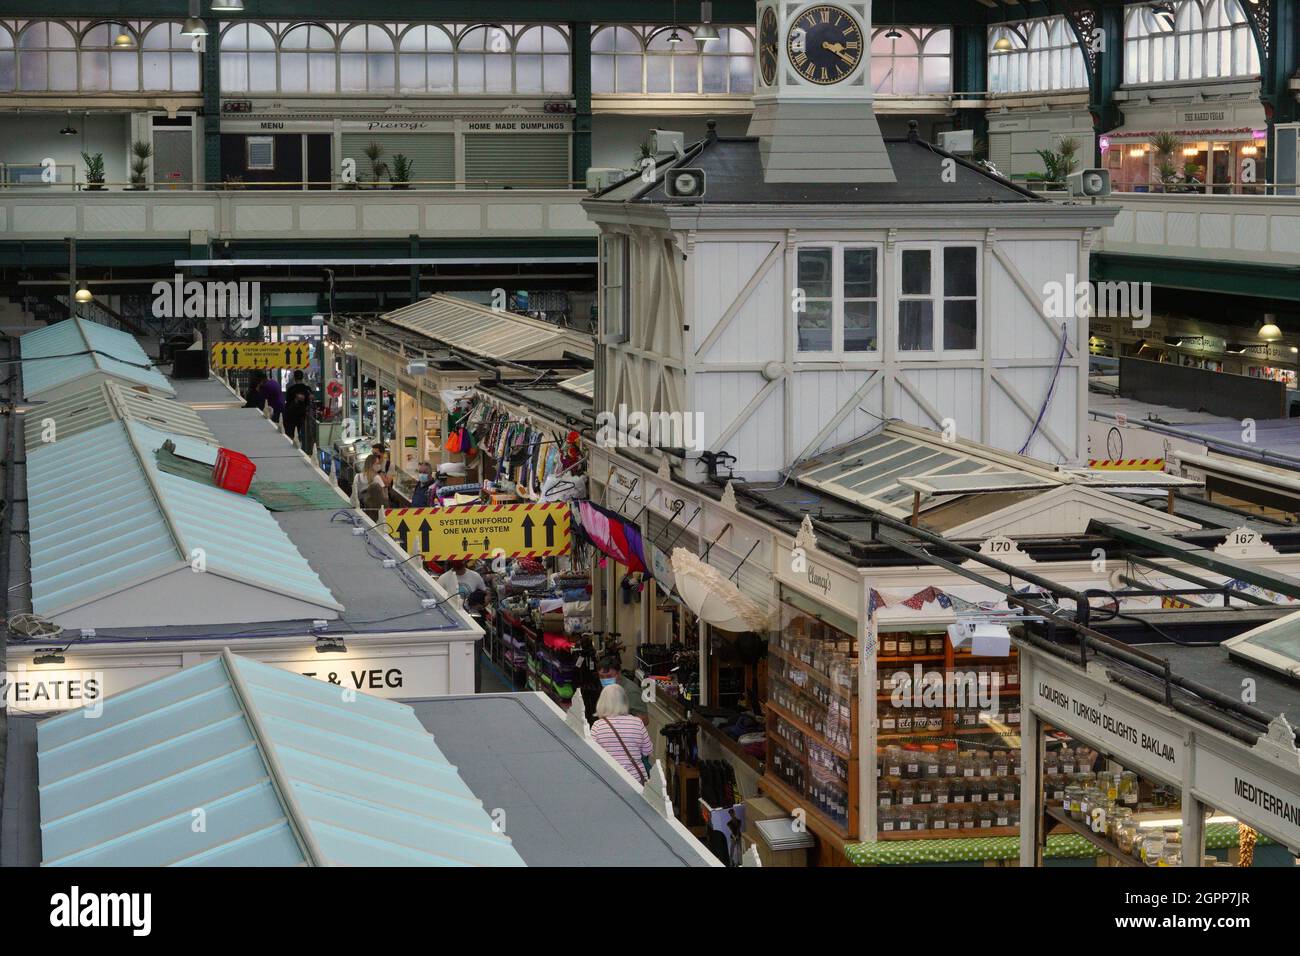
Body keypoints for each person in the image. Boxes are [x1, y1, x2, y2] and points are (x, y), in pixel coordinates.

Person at [591, 684, 653, 786]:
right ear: (625, 702)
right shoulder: (637, 722)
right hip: (635, 779)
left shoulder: (598, 726)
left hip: (608, 780)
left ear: (602, 702)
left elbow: (592, 754)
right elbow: (648, 750)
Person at [355, 448, 391, 514]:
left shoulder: (357, 476)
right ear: (372, 465)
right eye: (377, 464)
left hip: (362, 507)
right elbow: (382, 494)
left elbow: (355, 492)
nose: (378, 465)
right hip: (376, 508)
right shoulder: (376, 477)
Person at [283, 369, 312, 445]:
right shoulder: (307, 389)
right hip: (303, 416)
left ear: (294, 378)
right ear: (302, 378)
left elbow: (288, 403)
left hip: (292, 416)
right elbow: (309, 402)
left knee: (292, 434)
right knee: (302, 435)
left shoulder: (290, 389)